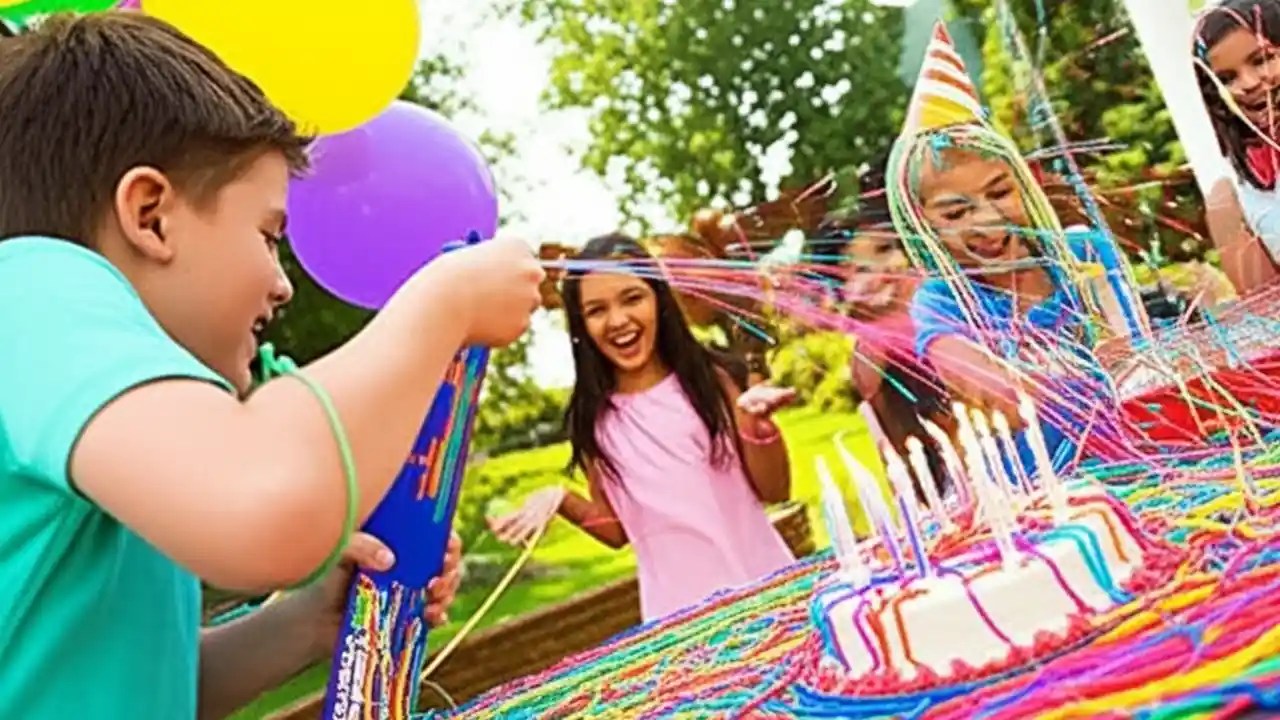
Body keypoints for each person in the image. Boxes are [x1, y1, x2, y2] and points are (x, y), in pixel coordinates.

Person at [0, 14, 543, 719]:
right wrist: (443, 304)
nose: (282, 284)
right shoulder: (28, 293)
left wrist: (299, 625)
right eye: (268, 234)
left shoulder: (116, 447)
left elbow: (139, 682)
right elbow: (266, 496)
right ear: (151, 214)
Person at [489, 233, 796, 622]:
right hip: (680, 625)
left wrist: (759, 426)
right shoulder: (594, 421)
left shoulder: (710, 379)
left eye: (632, 298)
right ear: (581, 325)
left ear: (658, 299)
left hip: (766, 590)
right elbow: (617, 530)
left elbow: (775, 490)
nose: (618, 320)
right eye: (597, 310)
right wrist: (561, 498)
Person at [1196, 0, 1280, 290]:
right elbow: (1266, 314)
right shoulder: (1233, 200)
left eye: (1261, 60)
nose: (1249, 83)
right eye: (1226, 79)